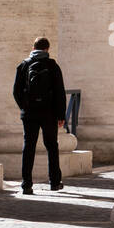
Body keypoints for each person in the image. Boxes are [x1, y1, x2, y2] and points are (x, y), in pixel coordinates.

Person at [12, 36, 67, 194]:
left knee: (28, 147)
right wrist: (61, 115)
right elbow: (59, 92)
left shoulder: (23, 65)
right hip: (49, 113)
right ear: (47, 49)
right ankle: (55, 182)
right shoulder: (52, 65)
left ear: (33, 48)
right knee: (52, 146)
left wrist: (24, 107)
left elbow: (16, 91)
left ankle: (26, 185)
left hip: (29, 114)